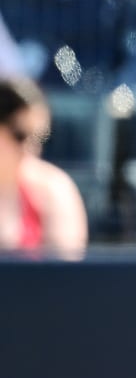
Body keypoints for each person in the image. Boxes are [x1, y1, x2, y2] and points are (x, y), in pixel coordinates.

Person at [0, 79, 87, 259]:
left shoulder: (54, 188)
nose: (31, 148)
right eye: (20, 135)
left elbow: (63, 276)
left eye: (40, 138)